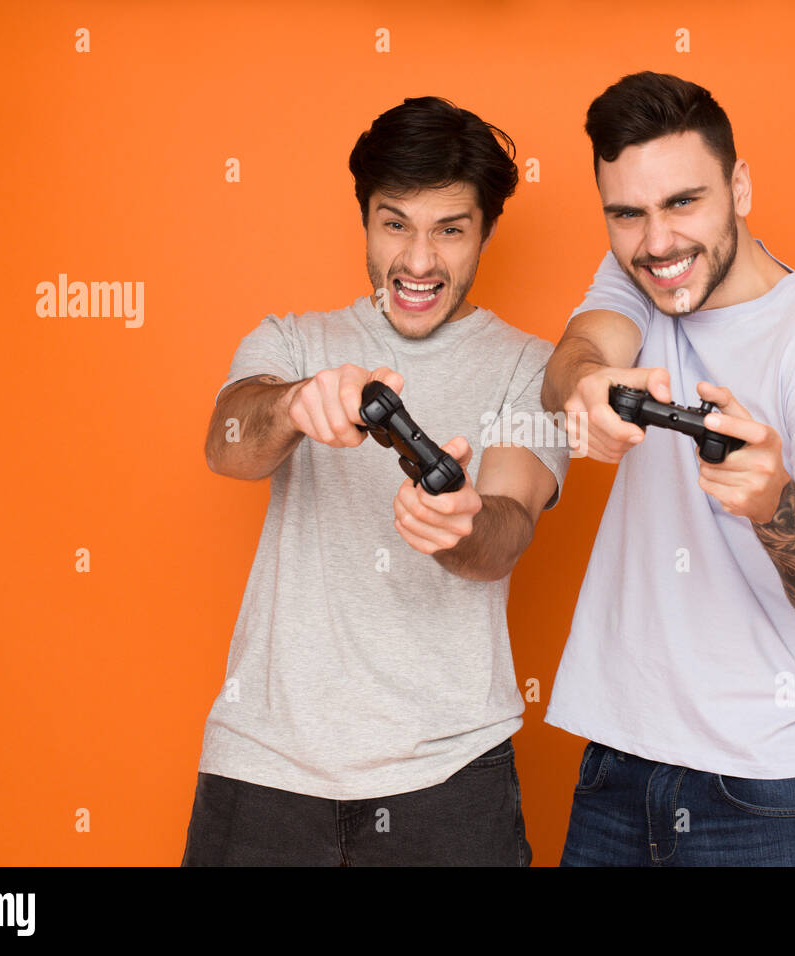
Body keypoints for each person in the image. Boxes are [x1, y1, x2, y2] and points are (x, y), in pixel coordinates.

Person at [181, 96, 568, 867]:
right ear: (364, 221)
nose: (419, 262)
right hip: (264, 769)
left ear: (486, 232)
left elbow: (508, 530)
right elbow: (227, 445)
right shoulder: (292, 339)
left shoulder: (531, 369)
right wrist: (295, 404)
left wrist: (461, 524)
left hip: (449, 781)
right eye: (395, 224)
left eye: (449, 230)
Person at [541, 72, 795, 866]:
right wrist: (585, 387)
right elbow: (582, 352)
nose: (657, 242)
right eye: (625, 213)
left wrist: (775, 505)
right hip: (619, 765)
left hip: (773, 795)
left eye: (682, 203)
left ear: (738, 186)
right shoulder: (638, 276)